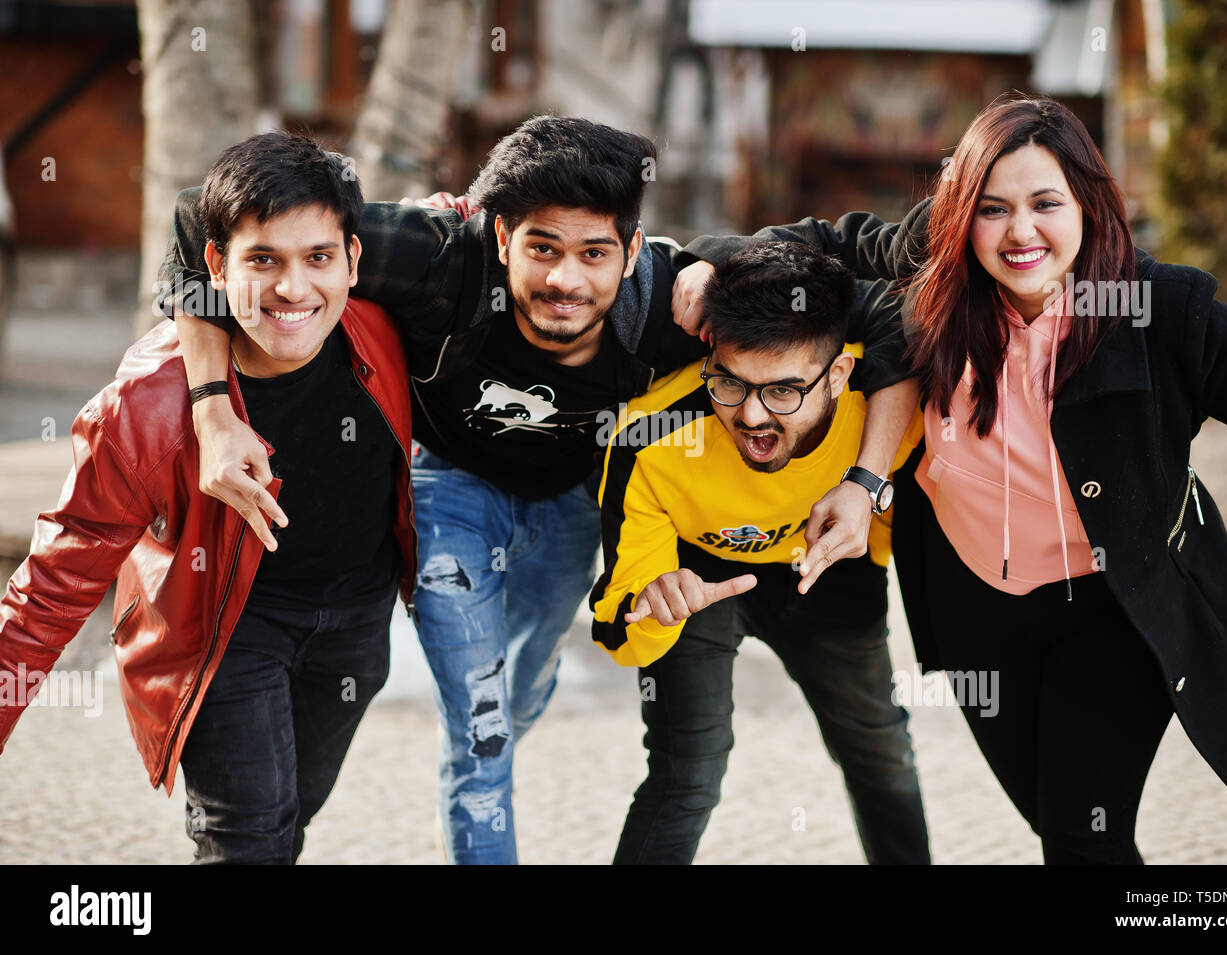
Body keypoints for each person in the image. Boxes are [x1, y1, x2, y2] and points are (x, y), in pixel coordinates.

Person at [162, 117, 921, 863]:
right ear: (499, 237)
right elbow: (203, 214)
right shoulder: (442, 258)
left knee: (515, 699)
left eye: (595, 252)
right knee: (483, 723)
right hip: (450, 490)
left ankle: (472, 764)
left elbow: (858, 301)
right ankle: (473, 780)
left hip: (569, 510)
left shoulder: (668, 302)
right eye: (542, 248)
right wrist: (212, 406)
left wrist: (710, 264)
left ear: (630, 253)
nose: (565, 279)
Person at [677, 94, 1227, 865]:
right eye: (993, 208)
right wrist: (708, 260)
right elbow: (822, 243)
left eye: (1046, 203)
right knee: (1058, 823)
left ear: (1090, 204)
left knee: (1080, 835)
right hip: (975, 611)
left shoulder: (1161, 309)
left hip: (1115, 605)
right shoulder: (935, 275)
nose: (1020, 231)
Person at [0, 132, 416, 863]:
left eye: (317, 258)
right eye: (264, 261)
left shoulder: (384, 329)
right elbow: (49, 591)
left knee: (288, 824)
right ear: (216, 266)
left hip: (355, 623)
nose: (293, 289)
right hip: (224, 626)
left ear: (353, 259)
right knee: (245, 837)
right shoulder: (144, 407)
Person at [591, 242, 930, 864]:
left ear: (837, 376)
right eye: (730, 383)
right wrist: (652, 603)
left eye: (782, 391)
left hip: (825, 570)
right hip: (700, 577)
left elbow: (915, 314)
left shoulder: (885, 410)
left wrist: (872, 520)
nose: (751, 415)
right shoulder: (647, 439)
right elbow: (617, 620)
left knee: (879, 749)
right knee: (688, 774)